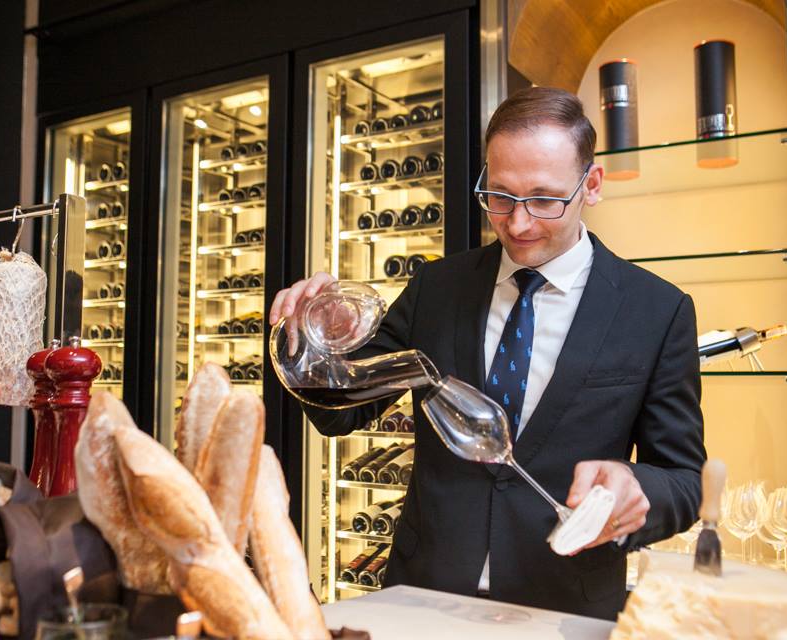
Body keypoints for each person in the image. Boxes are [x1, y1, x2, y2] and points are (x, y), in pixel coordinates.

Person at [270, 87, 706, 620]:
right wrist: (313, 336)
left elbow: (683, 478)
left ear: (591, 185)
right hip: (422, 595)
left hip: (566, 604)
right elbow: (339, 410)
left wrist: (636, 488)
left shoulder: (656, 310)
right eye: (499, 196)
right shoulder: (437, 286)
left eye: (545, 199)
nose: (518, 224)